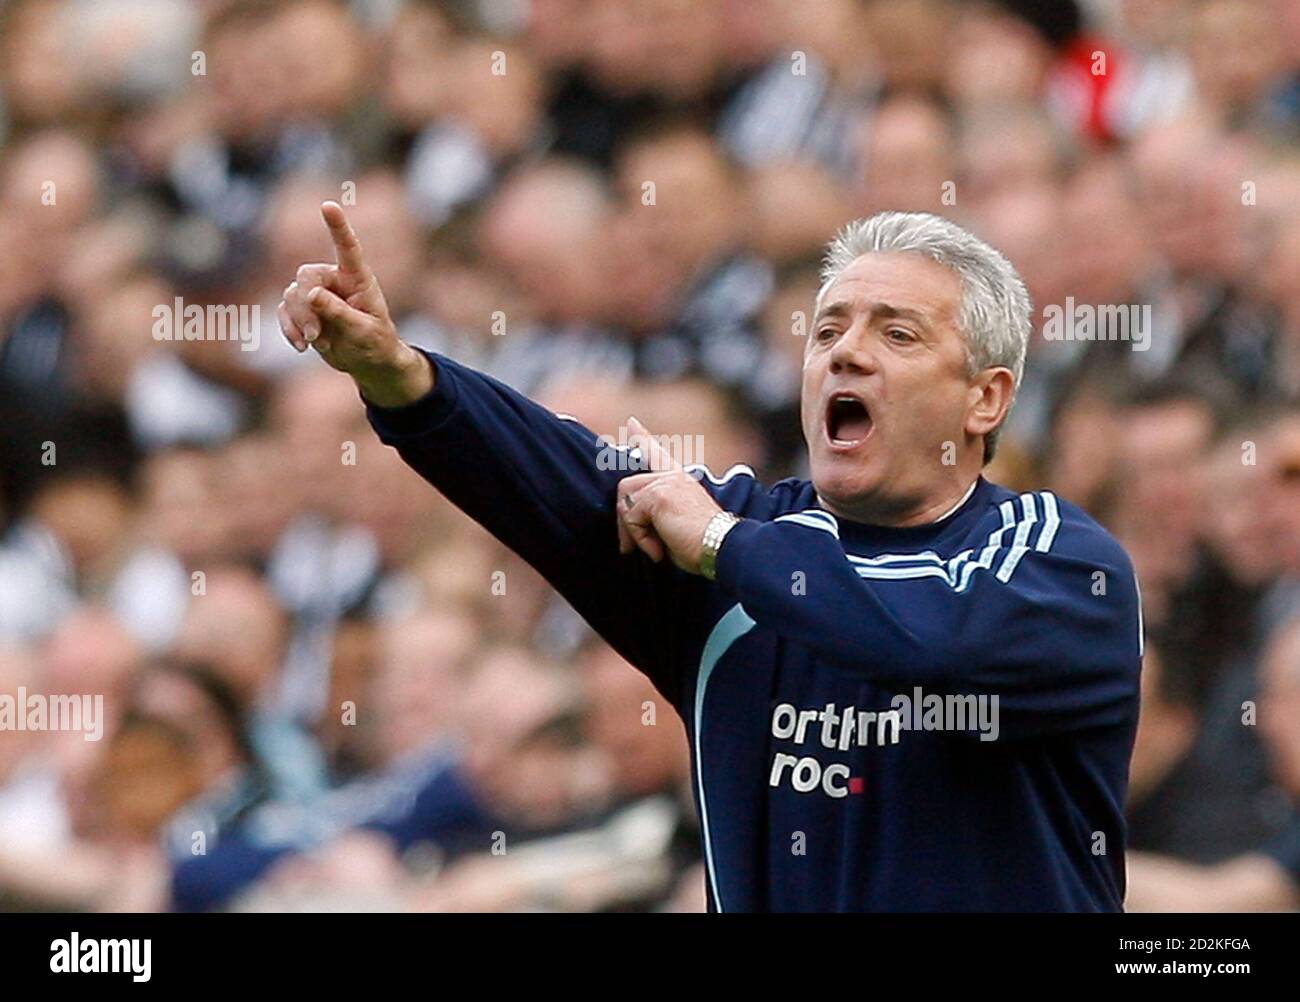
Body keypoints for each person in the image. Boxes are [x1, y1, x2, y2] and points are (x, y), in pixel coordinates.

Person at [275, 202, 1143, 911]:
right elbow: (557, 476)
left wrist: (723, 546)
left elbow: (934, 642)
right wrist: (403, 376)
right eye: (828, 330)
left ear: (984, 399)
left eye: (899, 335)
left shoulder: (1060, 565)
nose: (846, 350)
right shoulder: (736, 544)